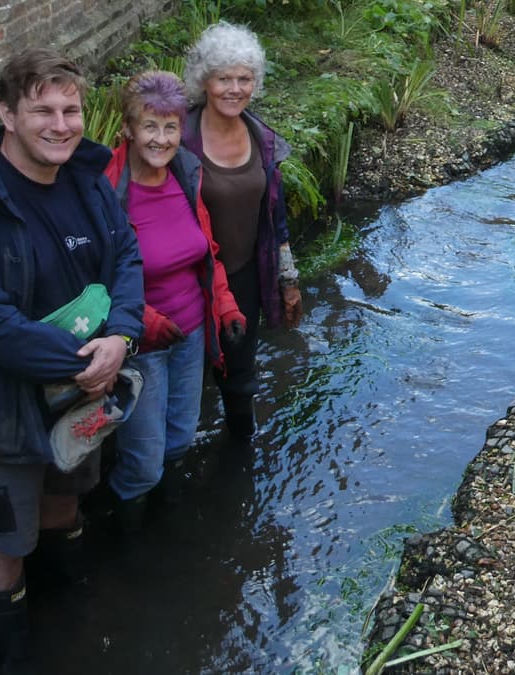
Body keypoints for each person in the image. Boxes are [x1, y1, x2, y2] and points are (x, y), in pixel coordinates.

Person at [0, 48, 144, 671]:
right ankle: (8, 654)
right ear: (7, 115)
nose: (61, 124)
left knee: (67, 496)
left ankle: (70, 610)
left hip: (80, 392)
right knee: (3, 539)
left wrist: (121, 335)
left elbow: (125, 257)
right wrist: (84, 360)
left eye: (70, 109)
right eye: (42, 109)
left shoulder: (85, 181)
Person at [102, 70, 246, 529]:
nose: (161, 139)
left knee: (180, 439)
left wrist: (224, 305)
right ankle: (128, 547)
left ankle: (167, 531)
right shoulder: (106, 188)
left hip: (191, 333)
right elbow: (90, 278)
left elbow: (207, 253)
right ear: (128, 128)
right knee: (143, 460)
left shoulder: (185, 173)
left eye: (170, 127)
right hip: (139, 344)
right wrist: (139, 320)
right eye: (150, 127)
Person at [182, 21, 303, 441]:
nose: (235, 89)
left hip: (246, 277)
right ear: (204, 81)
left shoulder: (262, 140)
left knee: (240, 377)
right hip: (188, 282)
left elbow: (276, 219)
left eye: (244, 79)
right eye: (224, 78)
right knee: (185, 375)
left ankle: (238, 463)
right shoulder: (178, 140)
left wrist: (289, 281)